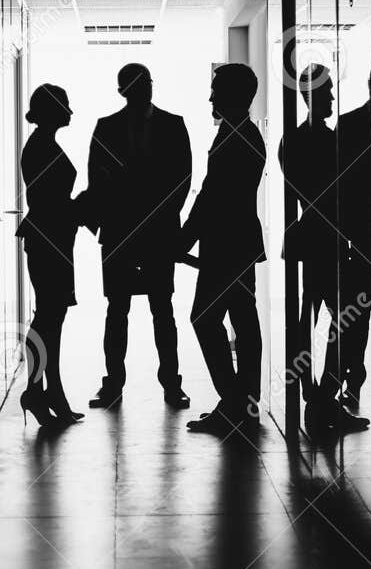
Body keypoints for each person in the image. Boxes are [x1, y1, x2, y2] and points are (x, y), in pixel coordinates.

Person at [84, 64, 192, 410]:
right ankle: (114, 383)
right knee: (119, 310)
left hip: (151, 232)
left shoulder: (173, 124)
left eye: (144, 83)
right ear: (124, 91)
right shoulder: (106, 127)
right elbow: (97, 182)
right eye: (137, 85)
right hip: (125, 232)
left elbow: (182, 180)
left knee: (160, 310)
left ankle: (170, 384)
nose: (143, 89)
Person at [279, 65, 367, 431]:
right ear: (310, 97)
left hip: (316, 237)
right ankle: (321, 396)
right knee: (337, 316)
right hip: (326, 239)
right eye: (327, 92)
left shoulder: (299, 140)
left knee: (318, 316)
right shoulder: (320, 140)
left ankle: (317, 395)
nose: (332, 97)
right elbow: (331, 194)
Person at [180, 63, 265, 434]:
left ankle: (234, 402)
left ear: (232, 94)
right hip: (238, 241)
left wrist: (183, 238)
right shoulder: (240, 132)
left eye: (216, 90)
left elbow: (213, 195)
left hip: (227, 244)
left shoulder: (236, 136)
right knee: (242, 319)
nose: (211, 97)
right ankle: (242, 402)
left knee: (206, 318)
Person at [17, 84, 83, 427]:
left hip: (50, 238)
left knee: (48, 318)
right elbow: (49, 203)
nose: (70, 111)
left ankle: (45, 391)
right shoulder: (42, 147)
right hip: (50, 239)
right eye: (65, 105)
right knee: (48, 319)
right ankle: (42, 391)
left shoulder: (41, 145)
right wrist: (82, 205)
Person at [327, 73, 371, 415]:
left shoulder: (349, 124)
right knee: (358, 310)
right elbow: (337, 182)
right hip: (358, 234)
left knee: (360, 310)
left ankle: (352, 375)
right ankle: (352, 374)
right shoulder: (348, 125)